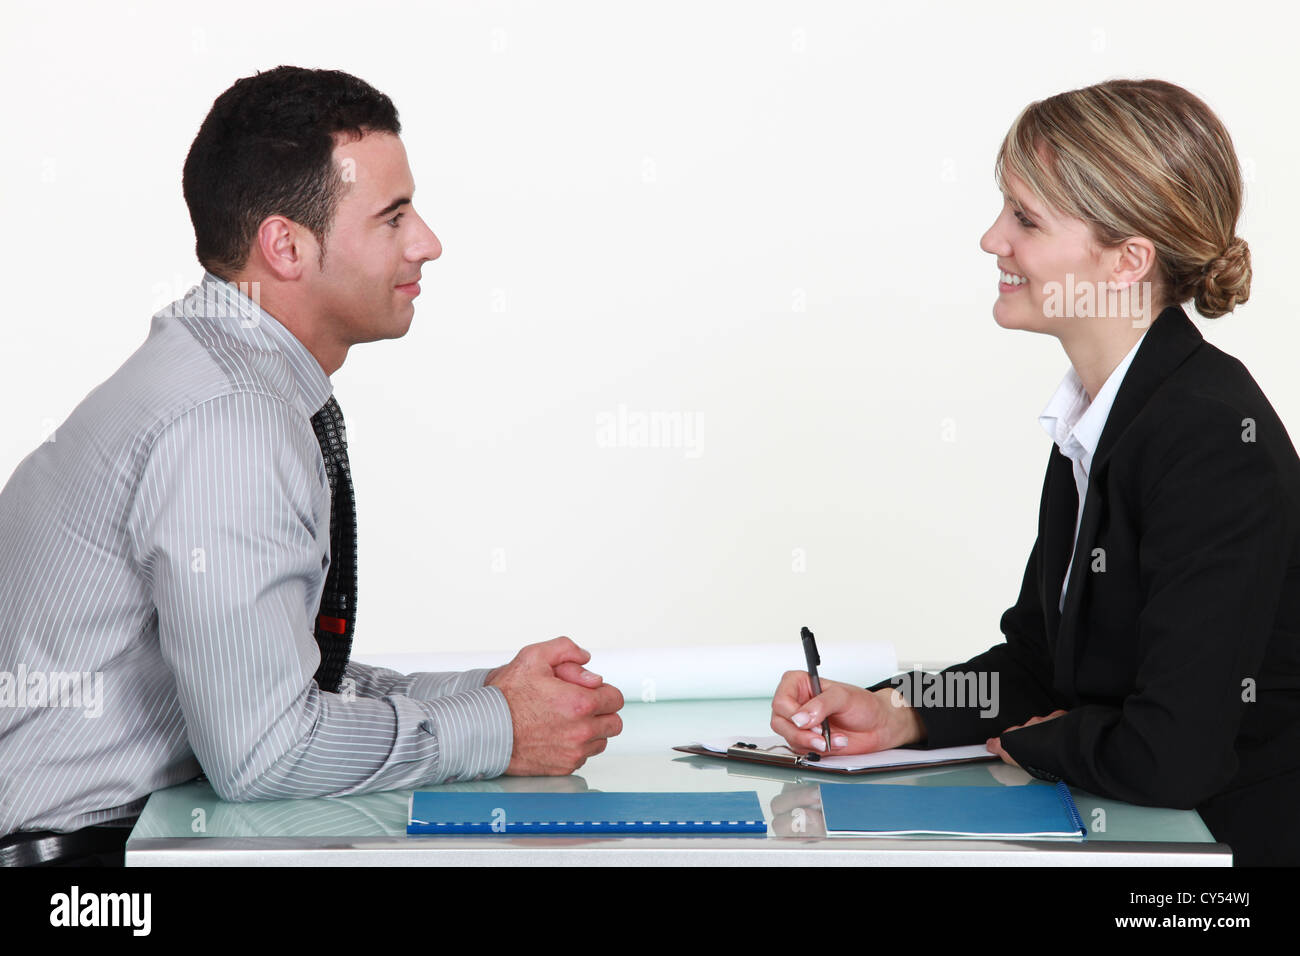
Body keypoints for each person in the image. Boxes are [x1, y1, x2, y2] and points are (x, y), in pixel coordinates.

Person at [0, 66, 623, 864]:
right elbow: (265, 750)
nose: (428, 242)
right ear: (285, 246)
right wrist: (499, 729)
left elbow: (269, 679)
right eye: (392, 218)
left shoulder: (217, 373)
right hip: (78, 879)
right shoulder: (229, 419)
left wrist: (487, 695)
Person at [770, 78, 1300, 866]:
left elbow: (1170, 751)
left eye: (1025, 218)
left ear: (1128, 260)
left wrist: (1051, 740)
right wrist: (897, 712)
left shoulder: (1211, 439)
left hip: (1226, 861)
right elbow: (1037, 668)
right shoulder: (1101, 416)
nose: (992, 240)